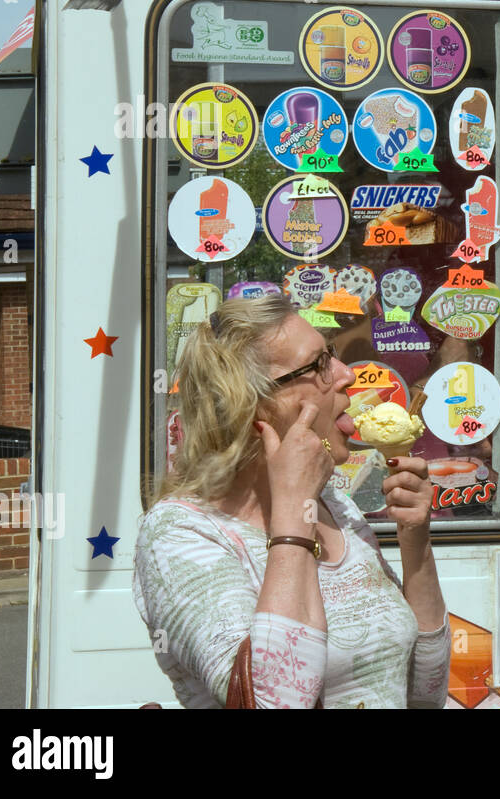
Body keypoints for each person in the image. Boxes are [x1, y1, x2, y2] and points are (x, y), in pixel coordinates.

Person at [133, 295, 450, 708]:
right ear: (257, 403)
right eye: (319, 364)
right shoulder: (178, 534)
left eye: (333, 354)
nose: (346, 375)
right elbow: (270, 702)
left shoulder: (334, 505)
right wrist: (293, 513)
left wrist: (415, 543)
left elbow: (425, 696)